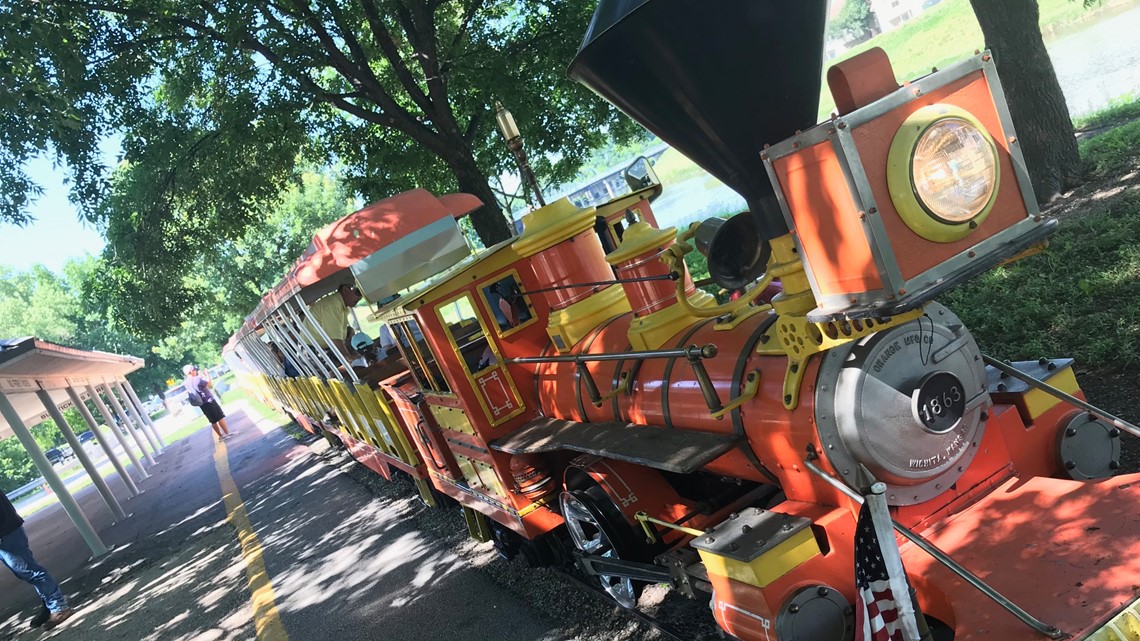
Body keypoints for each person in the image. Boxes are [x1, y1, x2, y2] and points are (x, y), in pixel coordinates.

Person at [1, 493, 74, 630]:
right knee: (24, 572)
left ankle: (59, 607)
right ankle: (49, 606)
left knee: (31, 572)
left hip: (6, 532)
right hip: (5, 533)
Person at [304, 283, 364, 363]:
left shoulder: (339, 305)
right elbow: (334, 338)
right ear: (345, 290)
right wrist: (349, 357)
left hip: (323, 348)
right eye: (358, 292)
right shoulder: (333, 305)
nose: (360, 297)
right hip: (313, 352)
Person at [183, 364, 232, 440]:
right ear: (191, 372)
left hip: (202, 404)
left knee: (213, 421)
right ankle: (227, 433)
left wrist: (200, 377)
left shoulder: (186, 383)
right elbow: (209, 385)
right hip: (209, 400)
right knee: (220, 417)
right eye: (194, 370)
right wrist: (207, 374)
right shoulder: (197, 379)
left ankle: (221, 436)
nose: (195, 371)